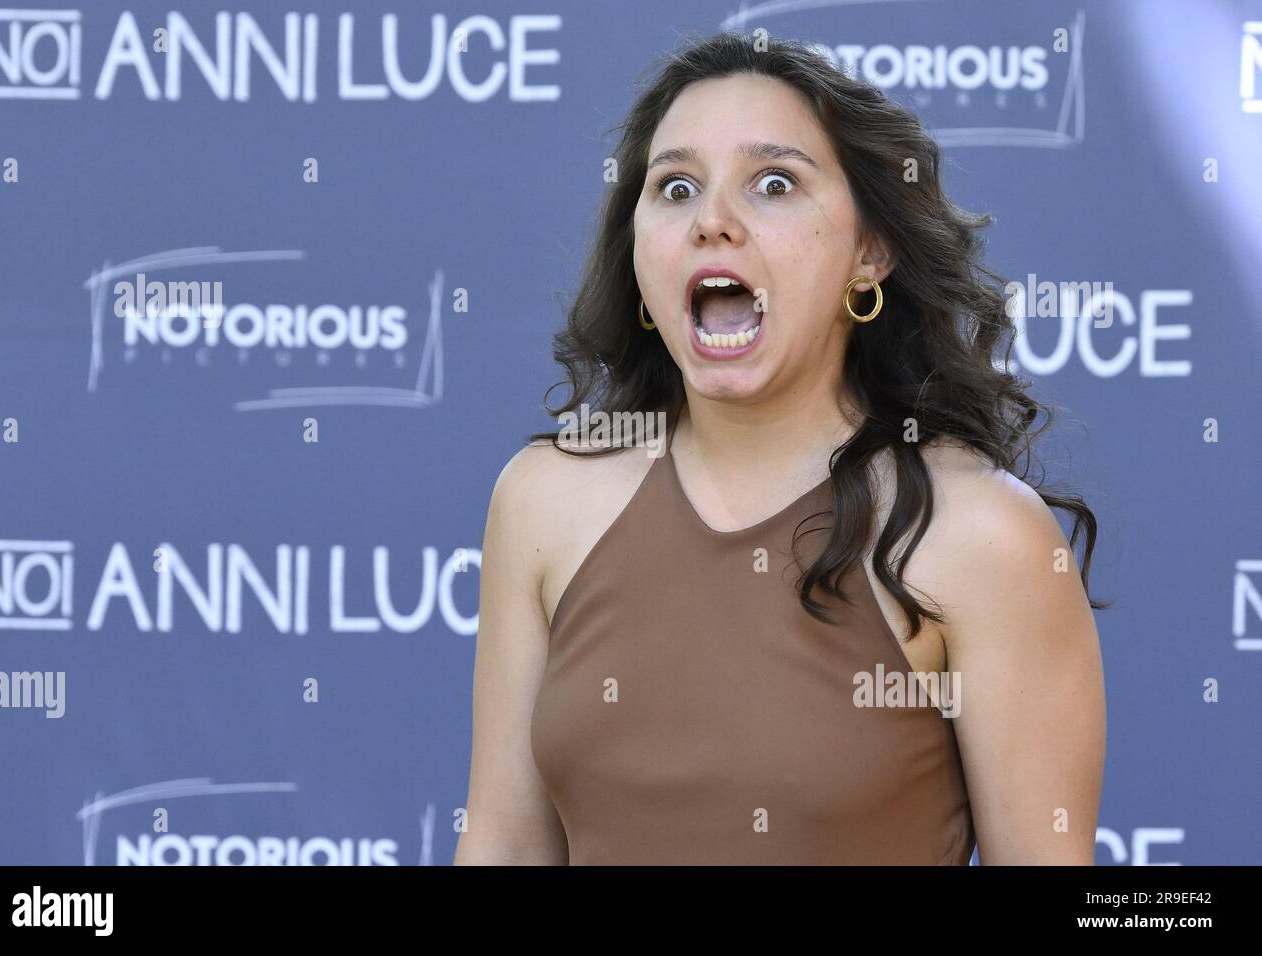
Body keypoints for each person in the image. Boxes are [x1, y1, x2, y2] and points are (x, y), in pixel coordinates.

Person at [455, 32, 1106, 865]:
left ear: (869, 255)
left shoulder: (982, 536)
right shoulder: (543, 499)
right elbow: (503, 842)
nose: (713, 223)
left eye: (774, 184)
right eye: (677, 187)